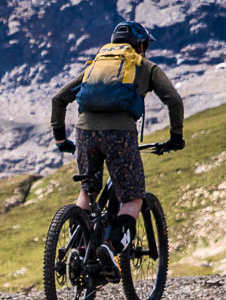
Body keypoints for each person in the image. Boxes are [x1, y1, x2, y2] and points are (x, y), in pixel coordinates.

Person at [50, 22, 185, 276]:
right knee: (132, 197)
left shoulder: (96, 65)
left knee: (88, 190)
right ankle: (109, 247)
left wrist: (60, 139)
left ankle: (78, 248)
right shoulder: (145, 66)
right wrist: (175, 136)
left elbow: (59, 99)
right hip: (120, 135)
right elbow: (174, 101)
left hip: (85, 133)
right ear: (141, 46)